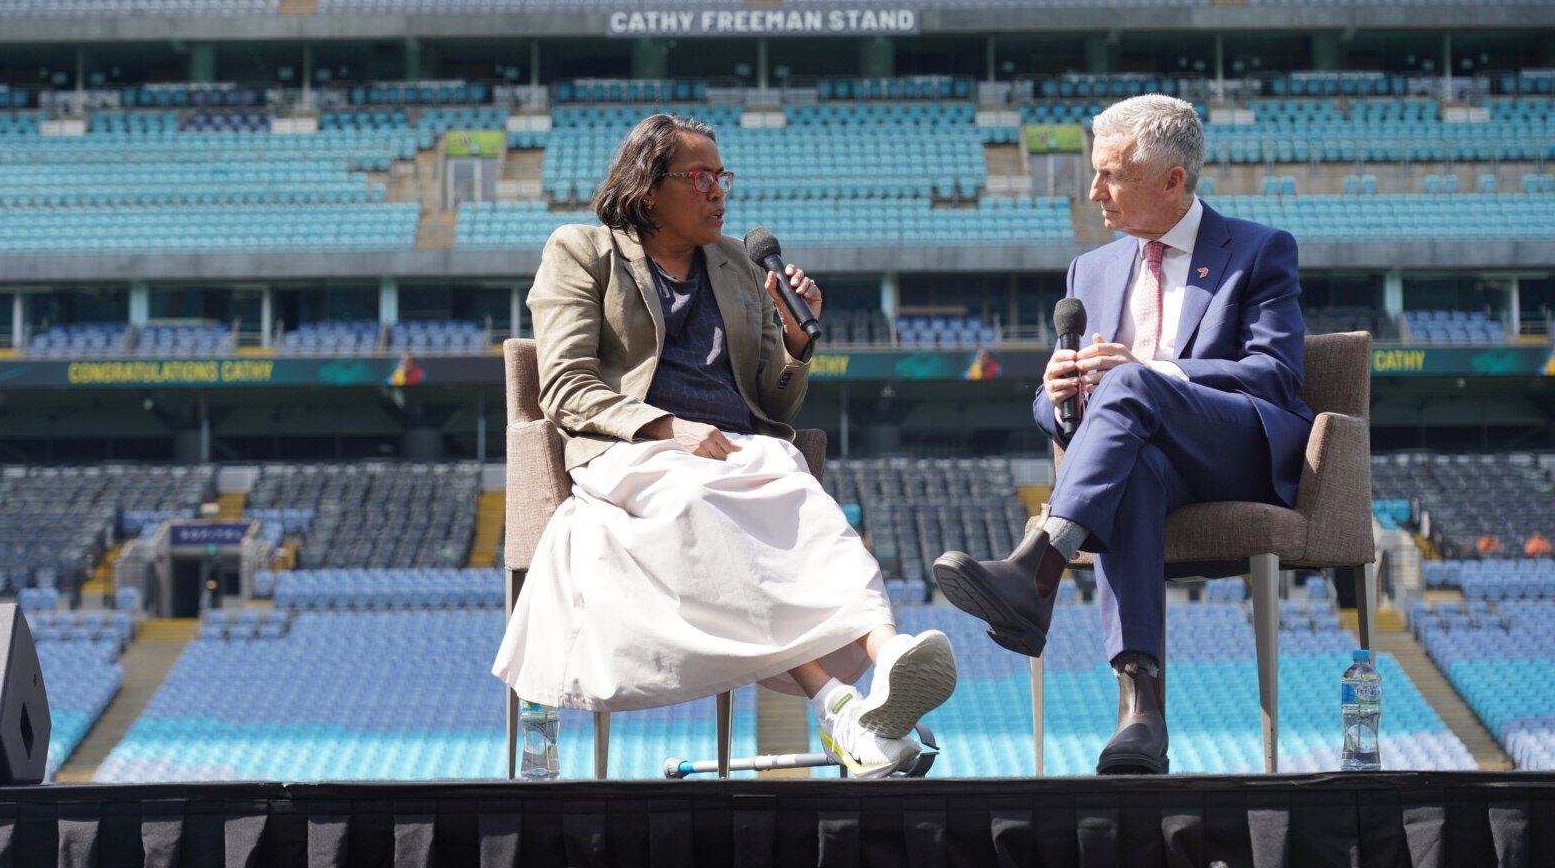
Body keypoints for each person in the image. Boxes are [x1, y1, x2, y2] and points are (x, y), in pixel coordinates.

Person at [493, 113, 956, 778]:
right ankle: (838, 709)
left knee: (808, 503)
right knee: (698, 497)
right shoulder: (582, 250)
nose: (719, 192)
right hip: (637, 449)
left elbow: (772, 400)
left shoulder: (735, 263)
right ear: (649, 189)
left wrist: (797, 343)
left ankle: (889, 659)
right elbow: (564, 386)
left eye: (722, 177)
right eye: (701, 177)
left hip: (742, 448)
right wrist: (667, 427)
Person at [933, 94, 1312, 775]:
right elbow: (1069, 421)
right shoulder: (1092, 269)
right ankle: (1142, 712)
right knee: (1130, 462)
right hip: (1142, 461)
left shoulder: (1259, 251)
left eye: (1109, 175)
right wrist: (1056, 396)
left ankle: (1038, 566)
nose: (1092, 191)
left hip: (1235, 449)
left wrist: (1151, 371)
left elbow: (1275, 377)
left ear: (1171, 180)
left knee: (1133, 384)